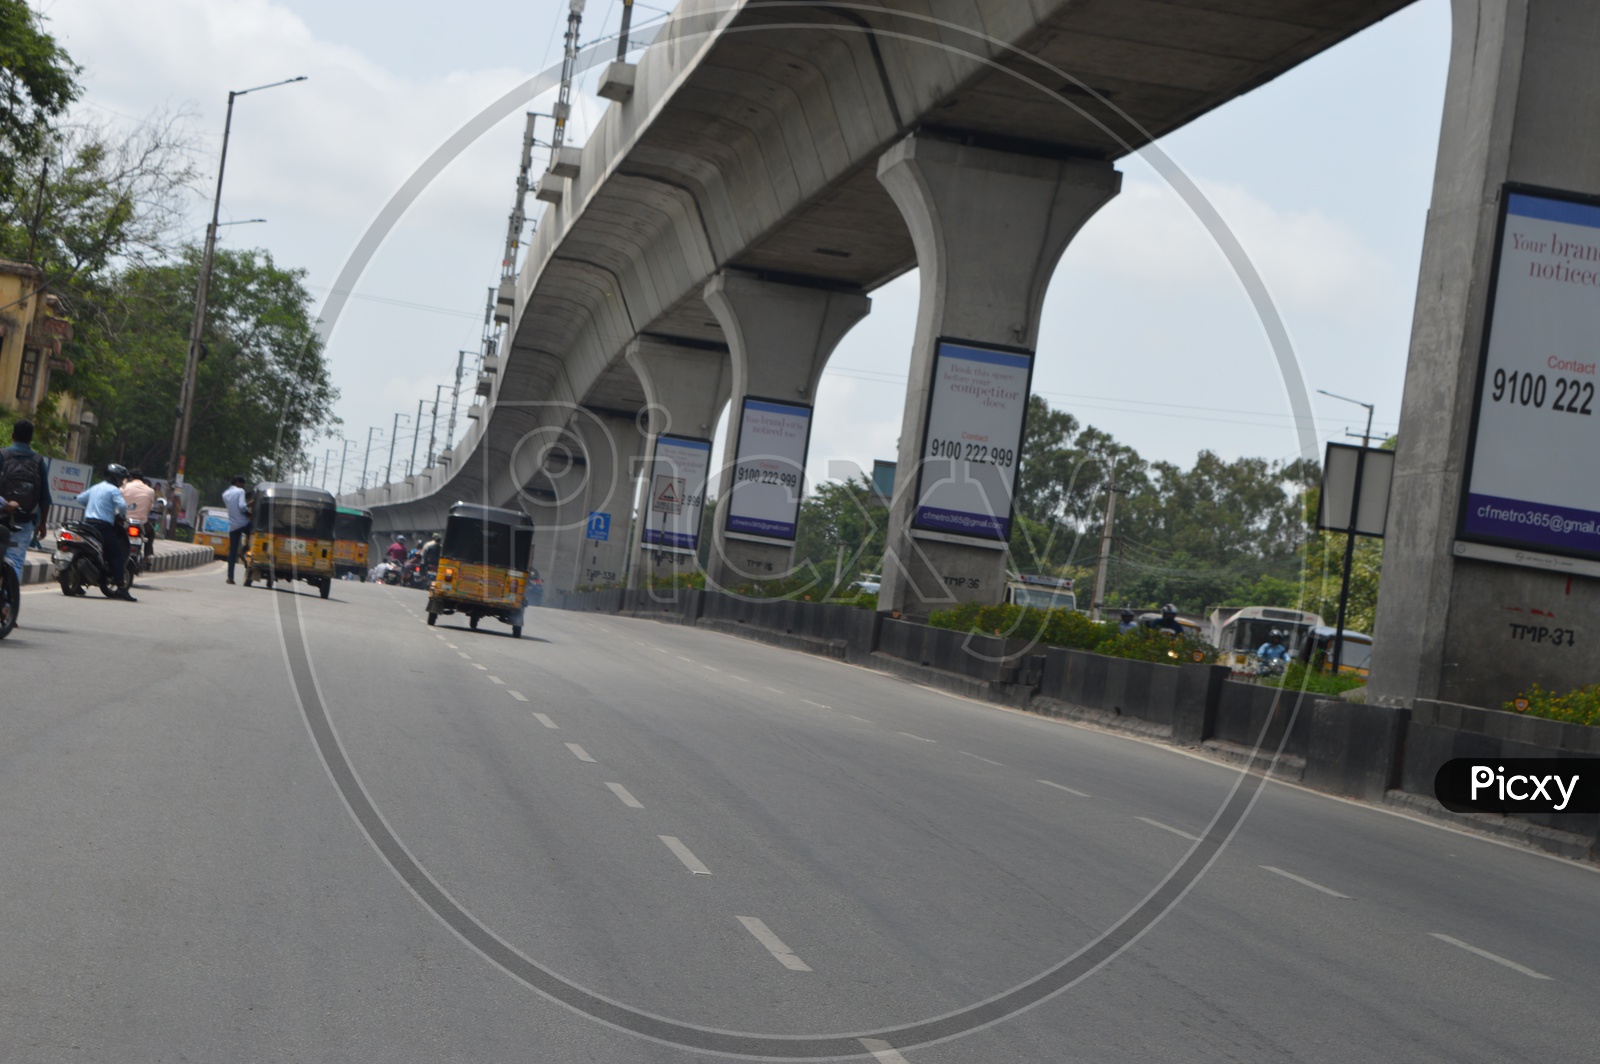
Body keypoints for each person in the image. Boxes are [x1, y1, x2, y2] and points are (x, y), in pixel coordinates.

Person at [0, 419, 51, 584]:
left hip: (1, 517)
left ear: (12, 435)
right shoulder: (37, 461)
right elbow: (45, 497)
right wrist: (42, 524)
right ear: (31, 439)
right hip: (24, 520)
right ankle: (8, 600)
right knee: (15, 560)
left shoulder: (3, 455)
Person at [76, 464, 134, 600]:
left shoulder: (96, 487)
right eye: (121, 479)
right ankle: (121, 587)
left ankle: (78, 582)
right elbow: (121, 506)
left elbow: (80, 499)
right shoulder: (114, 490)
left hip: (88, 524)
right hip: (103, 526)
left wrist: (91, 507)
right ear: (115, 478)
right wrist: (122, 516)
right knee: (116, 554)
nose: (121, 482)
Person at [120, 468, 157, 560]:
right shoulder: (150, 491)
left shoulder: (123, 487)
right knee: (151, 533)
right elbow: (149, 508)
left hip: (125, 522)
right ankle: (147, 556)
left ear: (131, 477)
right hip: (142, 523)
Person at [222, 475, 252, 585]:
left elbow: (233, 507)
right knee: (256, 536)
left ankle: (230, 577)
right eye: (242, 484)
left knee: (232, 552)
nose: (243, 486)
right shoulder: (240, 491)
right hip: (243, 523)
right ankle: (243, 550)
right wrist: (249, 513)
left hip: (233, 525)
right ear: (239, 483)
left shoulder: (225, 494)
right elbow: (242, 506)